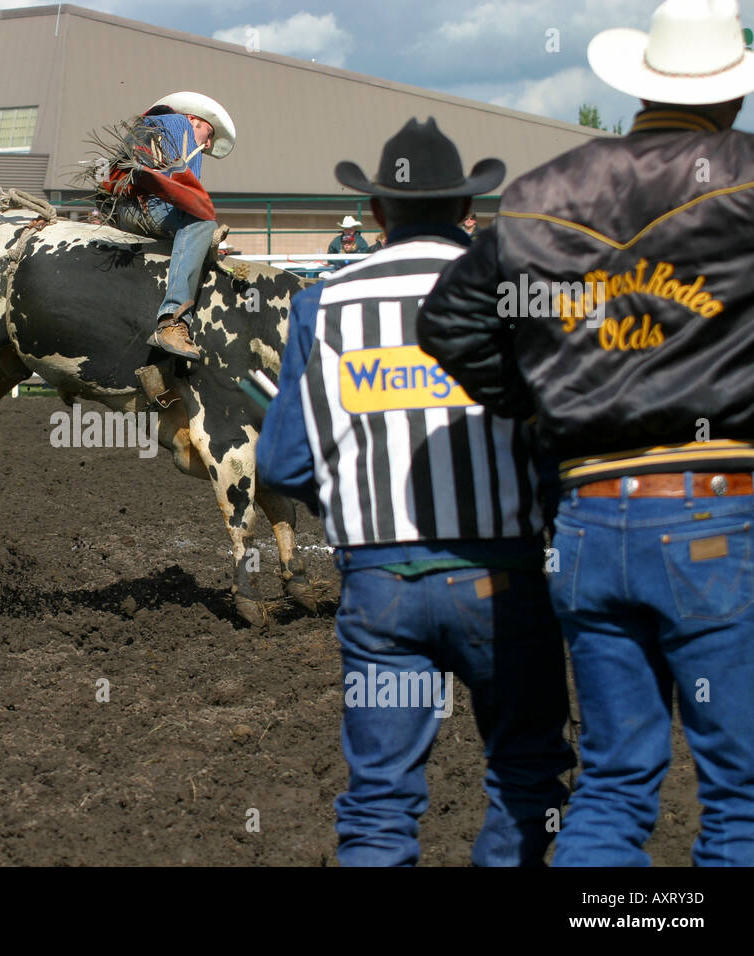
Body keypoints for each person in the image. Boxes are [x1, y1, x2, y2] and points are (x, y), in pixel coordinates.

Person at [417, 0, 754, 868]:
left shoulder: (539, 194)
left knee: (613, 782)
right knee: (741, 792)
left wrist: (534, 406)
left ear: (641, 87)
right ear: (731, 98)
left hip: (588, 519)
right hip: (715, 509)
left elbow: (451, 322)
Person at [258, 116, 574, 867]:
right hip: (506, 577)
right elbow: (562, 436)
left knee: (379, 801)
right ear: (471, 211)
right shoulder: (513, 298)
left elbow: (281, 463)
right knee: (528, 781)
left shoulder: (321, 304)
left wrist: (351, 498)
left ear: (375, 214)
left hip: (381, 589)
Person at [99, 91, 236, 360]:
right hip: (147, 206)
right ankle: (173, 322)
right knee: (202, 223)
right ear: (194, 120)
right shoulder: (180, 126)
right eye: (208, 134)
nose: (207, 145)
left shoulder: (150, 124)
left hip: (121, 209)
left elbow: (107, 174)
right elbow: (184, 195)